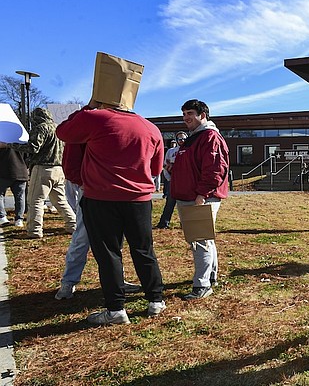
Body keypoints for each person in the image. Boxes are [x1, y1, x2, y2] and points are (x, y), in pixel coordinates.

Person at [56, 99, 166, 325]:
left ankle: (116, 308)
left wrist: (88, 107)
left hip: (101, 198)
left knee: (108, 254)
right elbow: (155, 168)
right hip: (139, 199)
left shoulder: (95, 118)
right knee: (143, 249)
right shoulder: (150, 127)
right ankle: (155, 300)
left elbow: (63, 132)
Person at [54, 142, 141, 300]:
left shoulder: (114, 126)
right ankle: (68, 282)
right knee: (82, 237)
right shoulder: (83, 129)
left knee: (114, 240)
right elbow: (70, 164)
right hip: (92, 193)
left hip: (115, 192)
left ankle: (117, 281)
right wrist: (85, 184)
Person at [170, 99, 230, 300]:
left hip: (201, 198)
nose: (186, 118)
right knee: (205, 239)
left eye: (190, 114)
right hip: (188, 197)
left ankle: (202, 285)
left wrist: (201, 195)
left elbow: (215, 169)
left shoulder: (210, 137)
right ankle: (210, 276)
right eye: (184, 114)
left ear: (202, 115)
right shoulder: (193, 138)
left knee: (200, 240)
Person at [2, 107, 76, 238]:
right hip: (59, 169)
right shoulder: (57, 128)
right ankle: (73, 225)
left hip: (43, 169)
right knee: (60, 201)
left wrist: (10, 144)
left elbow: (33, 147)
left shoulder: (41, 128)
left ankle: (34, 231)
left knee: (35, 201)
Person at [155, 132, 187, 229]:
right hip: (172, 180)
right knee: (170, 202)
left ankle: (185, 223)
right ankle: (164, 223)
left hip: (184, 181)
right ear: (176, 140)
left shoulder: (188, 150)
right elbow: (165, 165)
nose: (182, 141)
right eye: (180, 139)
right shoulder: (170, 151)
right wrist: (168, 179)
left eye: (184, 139)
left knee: (184, 203)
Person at [0, 147, 28, 227]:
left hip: (3, 172)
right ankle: (19, 219)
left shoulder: (2, 142)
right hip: (21, 171)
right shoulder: (21, 142)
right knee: (20, 197)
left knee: (0, 195)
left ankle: (2, 217)